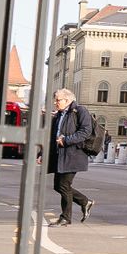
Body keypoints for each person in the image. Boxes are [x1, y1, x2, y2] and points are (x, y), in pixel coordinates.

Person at [46, 88, 95, 225]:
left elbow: (85, 131)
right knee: (59, 186)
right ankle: (85, 202)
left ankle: (66, 217)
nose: (55, 103)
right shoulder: (59, 115)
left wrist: (66, 140)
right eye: (55, 100)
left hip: (74, 154)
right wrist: (42, 153)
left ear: (67, 100)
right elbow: (52, 136)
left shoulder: (79, 111)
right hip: (61, 155)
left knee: (64, 185)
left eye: (58, 100)